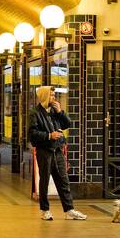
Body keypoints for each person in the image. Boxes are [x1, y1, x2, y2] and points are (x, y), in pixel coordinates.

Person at [28, 86, 86, 221]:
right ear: (44, 96)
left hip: (58, 151)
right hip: (44, 152)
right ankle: (45, 210)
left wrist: (60, 112)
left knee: (63, 181)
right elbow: (32, 134)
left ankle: (69, 210)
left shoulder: (55, 111)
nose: (54, 98)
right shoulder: (34, 113)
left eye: (54, 95)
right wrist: (49, 135)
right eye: (51, 95)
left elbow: (67, 124)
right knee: (44, 182)